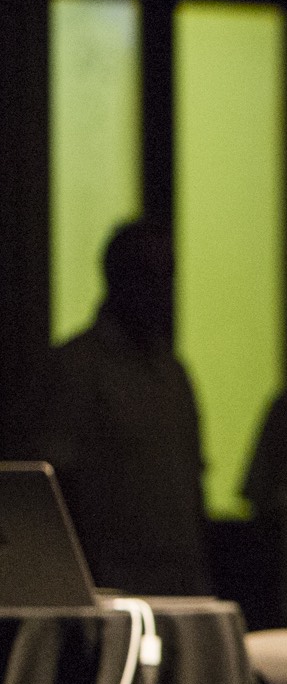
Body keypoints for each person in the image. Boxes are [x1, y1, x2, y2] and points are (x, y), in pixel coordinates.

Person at [32, 221, 212, 596]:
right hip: (111, 580)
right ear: (120, 278)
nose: (163, 290)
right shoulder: (78, 367)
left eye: (168, 276)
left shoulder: (171, 370)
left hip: (179, 579)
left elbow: (191, 478)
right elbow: (59, 482)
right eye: (150, 275)